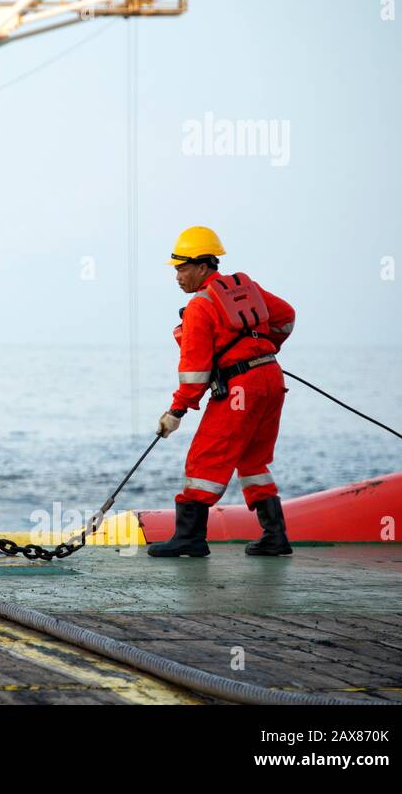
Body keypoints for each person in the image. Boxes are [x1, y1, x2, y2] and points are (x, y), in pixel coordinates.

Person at [149, 226, 297, 558]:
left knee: (205, 458)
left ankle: (190, 538)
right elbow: (286, 316)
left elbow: (195, 372)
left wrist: (176, 411)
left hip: (241, 387)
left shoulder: (201, 306)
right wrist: (262, 348)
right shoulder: (246, 289)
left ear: (203, 266)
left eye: (182, 267)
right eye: (175, 268)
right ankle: (275, 536)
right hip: (270, 377)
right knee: (253, 459)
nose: (177, 276)